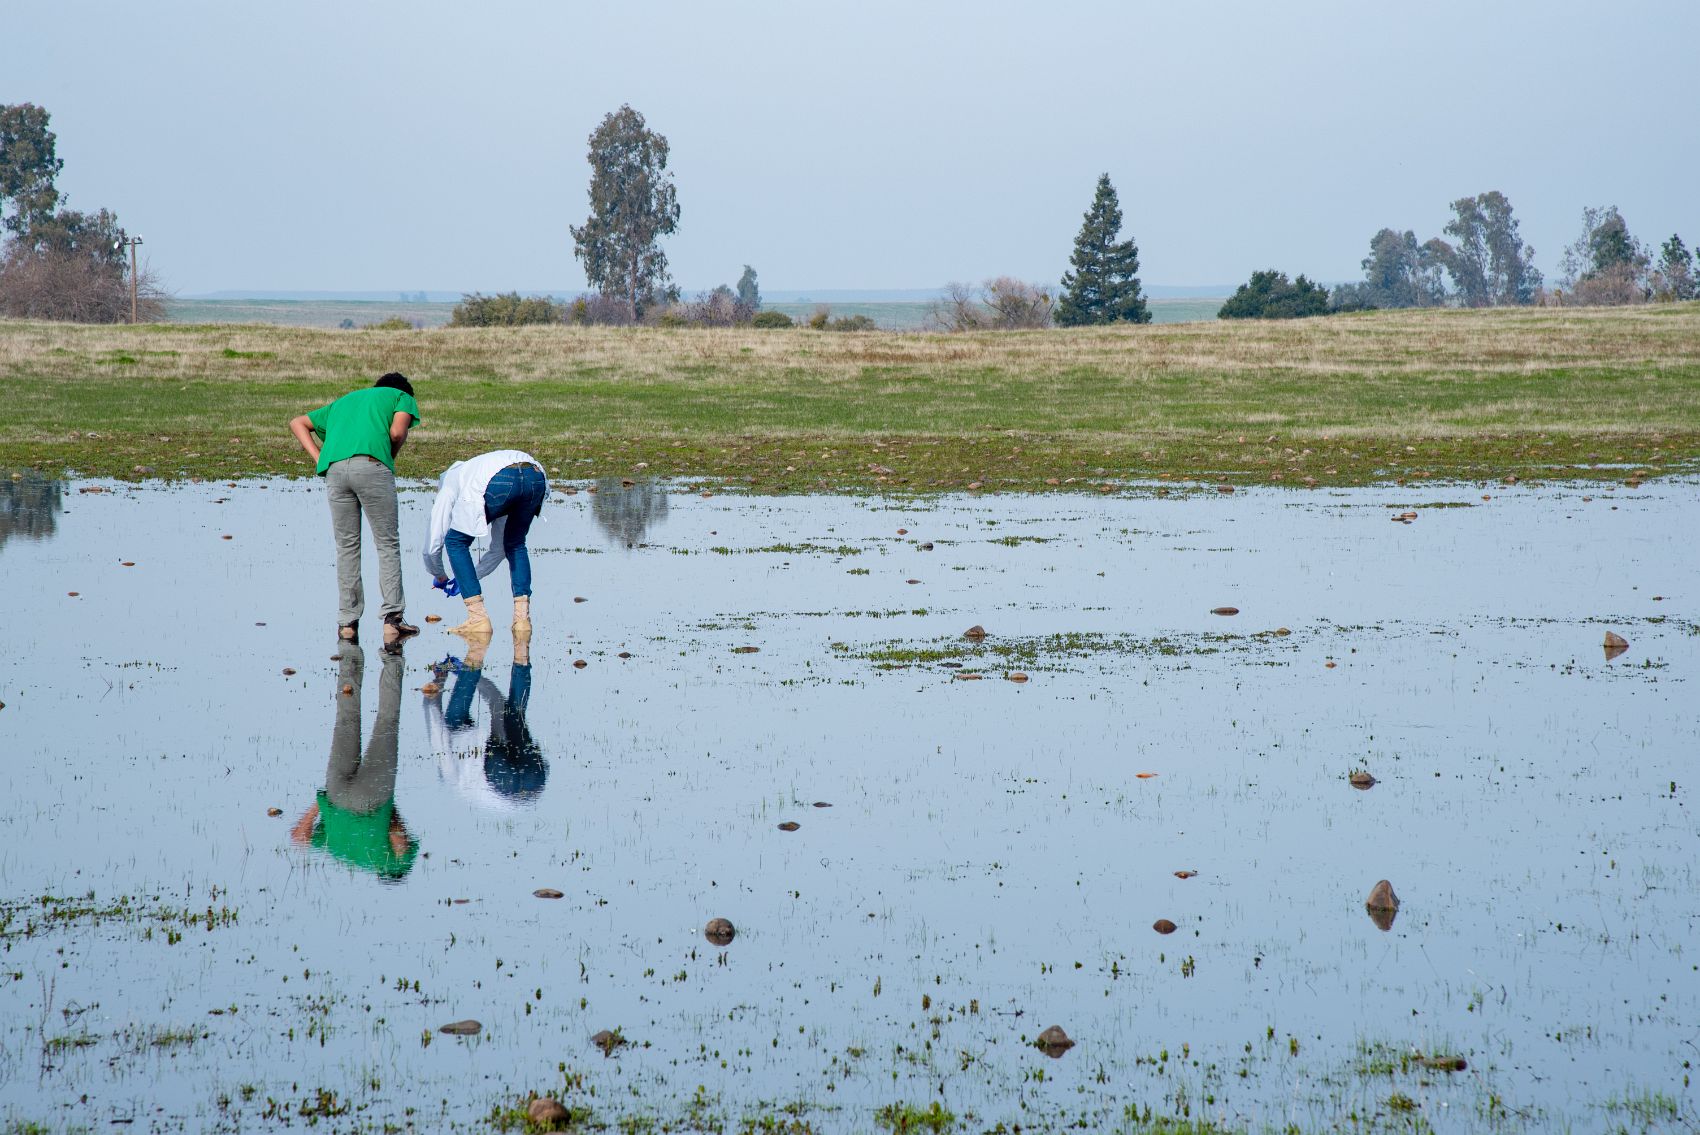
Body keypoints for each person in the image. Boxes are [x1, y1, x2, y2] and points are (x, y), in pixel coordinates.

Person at [288, 372, 422, 644]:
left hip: (335, 471)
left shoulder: (344, 401)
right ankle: (392, 620)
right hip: (372, 467)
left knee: (347, 546)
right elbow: (397, 431)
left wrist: (320, 458)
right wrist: (390, 456)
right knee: (387, 543)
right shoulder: (402, 397)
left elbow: (297, 423)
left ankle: (347, 622)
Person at [290, 642, 418, 880]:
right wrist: (323, 803)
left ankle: (393, 653)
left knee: (387, 722)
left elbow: (398, 839)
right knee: (346, 720)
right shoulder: (338, 851)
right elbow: (300, 836)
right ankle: (348, 648)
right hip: (336, 794)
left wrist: (390, 815)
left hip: (372, 800)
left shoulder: (392, 865)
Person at [421, 449, 547, 638]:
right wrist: (467, 578)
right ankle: (522, 621)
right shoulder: (473, 470)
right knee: (515, 543)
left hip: (500, 480)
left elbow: (434, 541)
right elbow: (500, 549)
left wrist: (440, 576)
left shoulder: (449, 485)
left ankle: (478, 619)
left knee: (456, 541)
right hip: (535, 476)